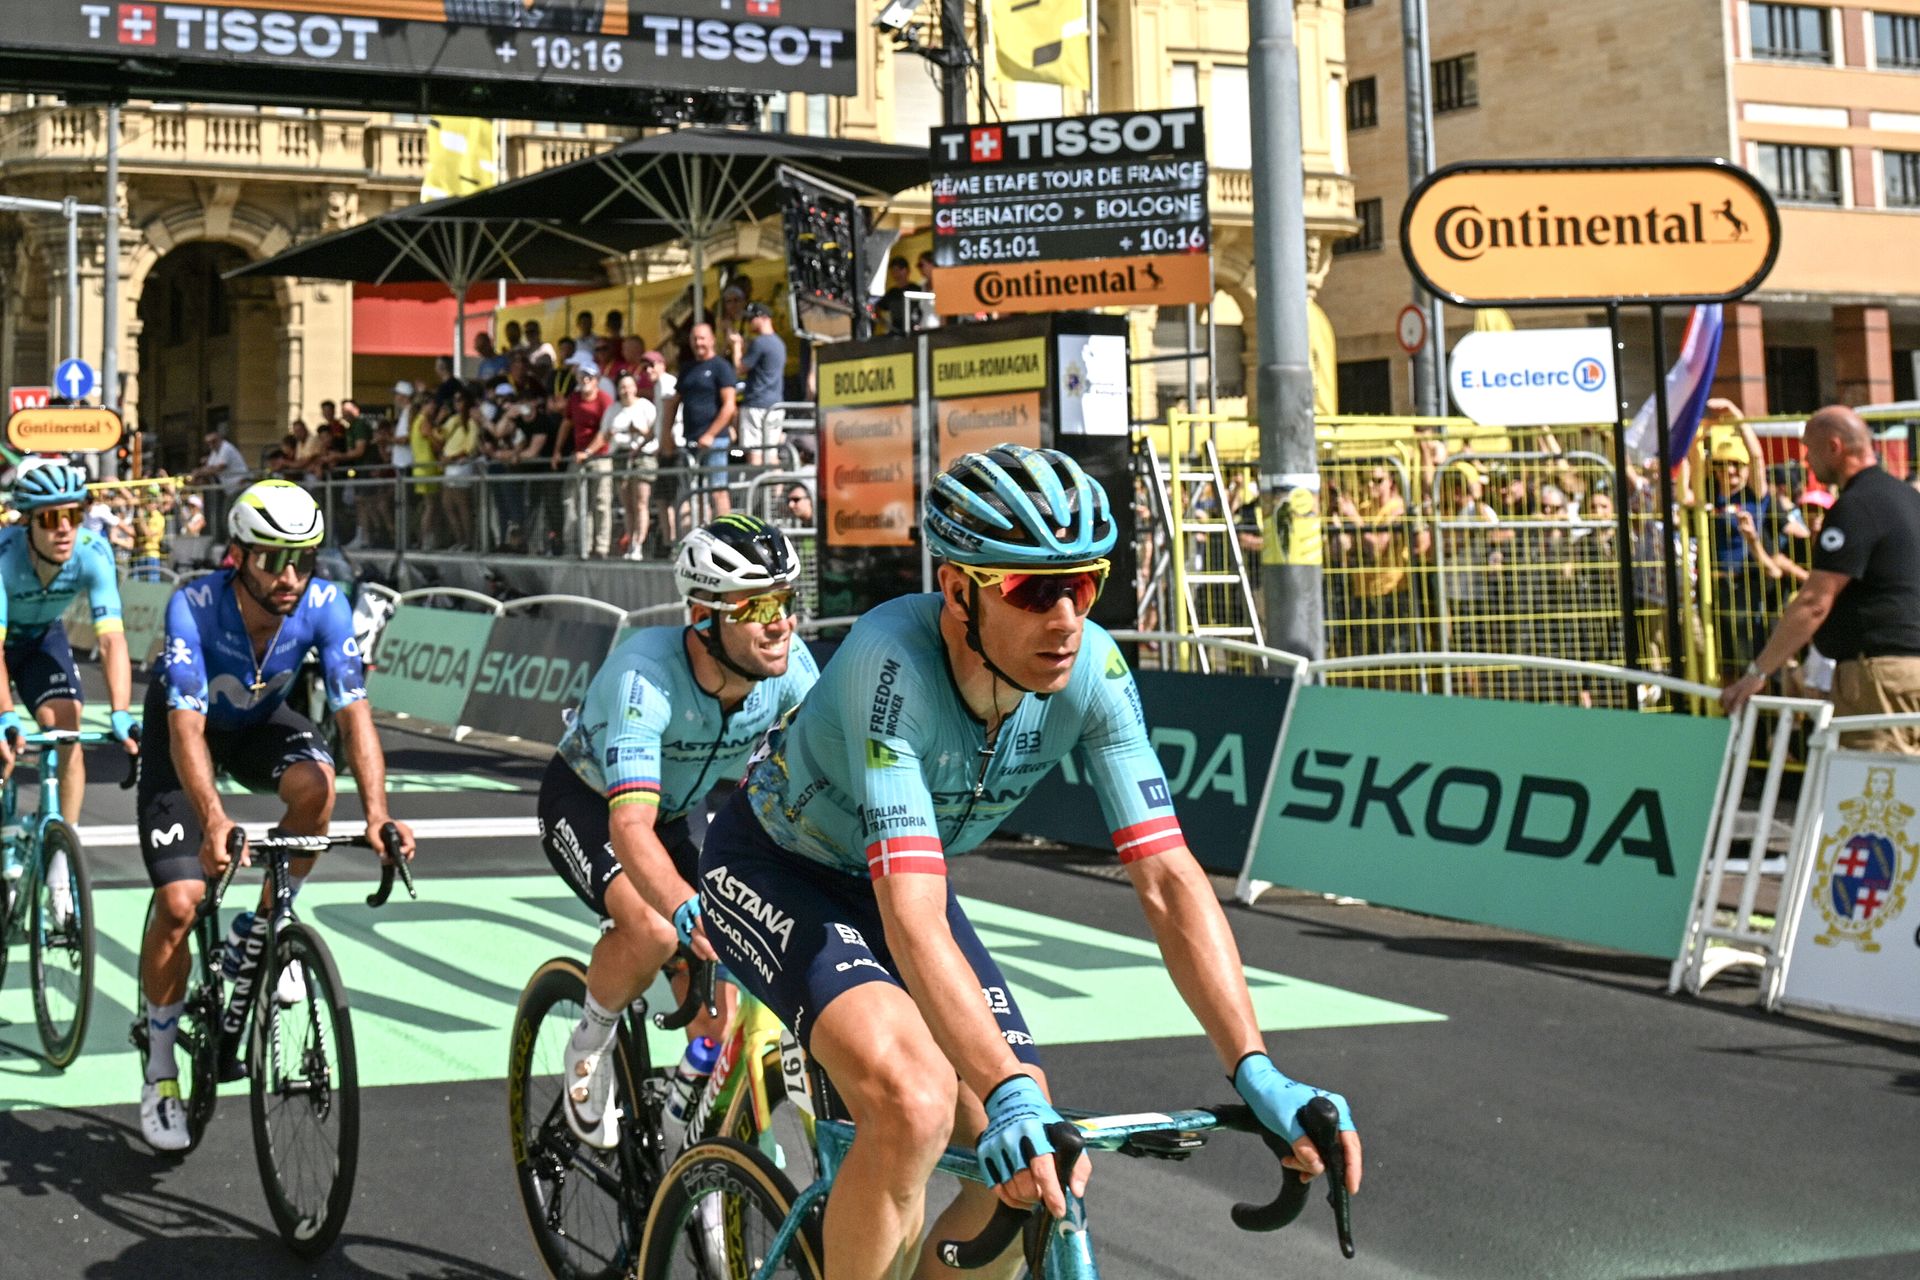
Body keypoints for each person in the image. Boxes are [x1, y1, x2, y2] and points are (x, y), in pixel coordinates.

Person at [696, 445, 1362, 1279]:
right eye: (1032, 590)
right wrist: (1000, 1088)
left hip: (898, 886)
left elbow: (1167, 876)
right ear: (958, 592)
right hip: (775, 867)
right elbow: (909, 916)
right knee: (915, 1103)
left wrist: (1255, 1067)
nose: (1065, 618)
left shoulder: (1094, 668)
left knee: (1040, 1168)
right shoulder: (889, 663)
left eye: (1084, 584)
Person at [134, 480, 417, 1152]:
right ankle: (160, 1070)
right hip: (186, 735)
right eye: (272, 559)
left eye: (304, 558)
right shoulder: (194, 607)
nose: (290, 576)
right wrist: (213, 820)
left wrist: (379, 815)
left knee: (318, 785)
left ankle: (266, 925)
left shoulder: (324, 603)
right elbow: (185, 728)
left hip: (258, 723)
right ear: (239, 556)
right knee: (179, 902)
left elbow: (354, 714)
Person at [541, 516, 818, 1147]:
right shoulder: (644, 677)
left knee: (725, 1009)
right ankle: (591, 1036)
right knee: (655, 926)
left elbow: (836, 778)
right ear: (704, 615)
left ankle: (689, 1139)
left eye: (787, 601)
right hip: (588, 803)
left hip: (672, 817)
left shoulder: (789, 669)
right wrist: (684, 908)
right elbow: (630, 823)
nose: (782, 623)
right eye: (759, 606)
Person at [1723, 406, 1920, 752]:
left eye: (1808, 449)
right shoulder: (1907, 498)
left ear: (1834, 446)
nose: (1806, 460)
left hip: (1880, 677)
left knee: (1874, 794)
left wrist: (1758, 672)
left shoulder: (1856, 507)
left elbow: (1815, 602)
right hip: (1907, 670)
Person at [0, 460, 141, 859]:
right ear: (28, 521)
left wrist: (120, 711)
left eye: (73, 515)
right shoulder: (4, 557)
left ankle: (63, 856)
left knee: (67, 727)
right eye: (50, 518)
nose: (64, 528)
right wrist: (5, 714)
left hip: (41, 637)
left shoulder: (93, 552)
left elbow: (112, 640)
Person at [662, 323, 737, 520]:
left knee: (718, 490)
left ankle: (725, 535)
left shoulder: (721, 367)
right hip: (690, 441)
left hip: (716, 441)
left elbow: (729, 406)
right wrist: (666, 435)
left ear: (712, 339)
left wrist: (711, 434)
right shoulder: (687, 369)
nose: (698, 343)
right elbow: (673, 404)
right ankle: (701, 537)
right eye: (694, 339)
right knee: (694, 494)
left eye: (702, 338)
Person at [600, 371, 658, 560]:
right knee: (627, 504)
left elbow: (655, 432)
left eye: (628, 386)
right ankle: (631, 540)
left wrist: (639, 430)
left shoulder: (645, 406)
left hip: (642, 454)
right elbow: (604, 434)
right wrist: (612, 433)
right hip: (620, 455)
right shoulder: (613, 409)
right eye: (622, 387)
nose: (625, 390)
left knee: (641, 502)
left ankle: (638, 545)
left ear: (635, 387)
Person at [732, 302, 787, 467]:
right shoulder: (779, 344)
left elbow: (739, 368)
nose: (749, 323)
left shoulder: (760, 343)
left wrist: (736, 347)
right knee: (771, 454)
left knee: (755, 454)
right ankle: (776, 493)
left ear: (763, 318)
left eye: (751, 319)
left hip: (756, 403)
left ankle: (757, 492)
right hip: (776, 404)